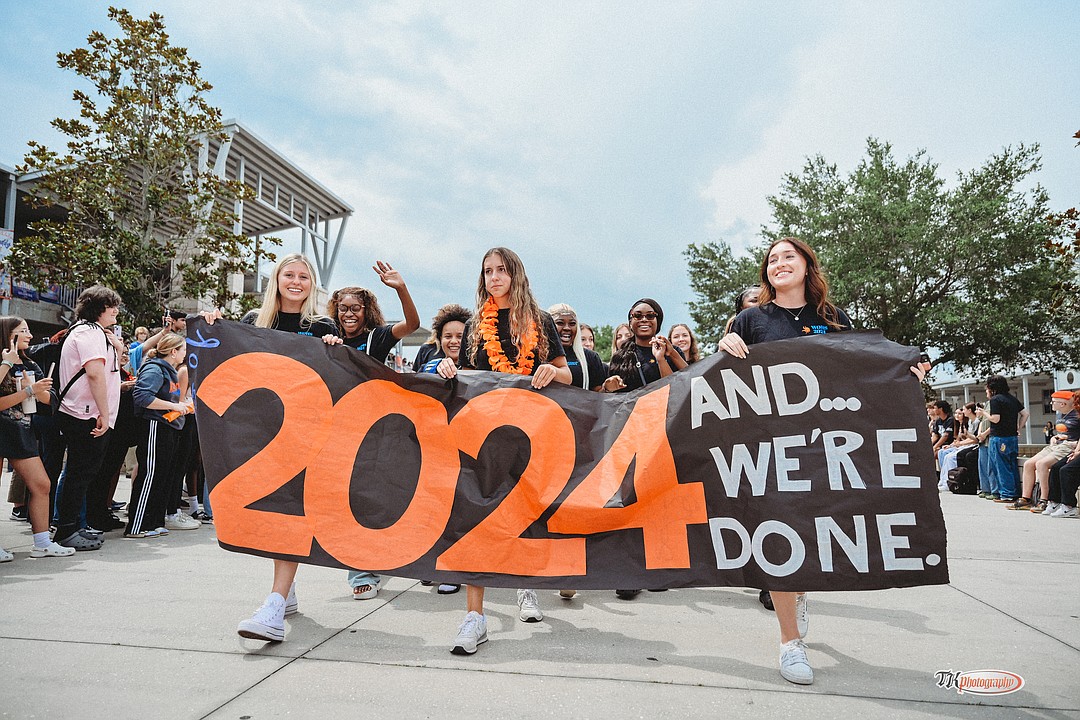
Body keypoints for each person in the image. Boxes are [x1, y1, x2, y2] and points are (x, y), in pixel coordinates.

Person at [717, 237, 927, 686]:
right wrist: (725, 343)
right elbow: (726, 381)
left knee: (813, 530)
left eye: (788, 256)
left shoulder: (833, 318)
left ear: (807, 265)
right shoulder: (751, 319)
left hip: (824, 445)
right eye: (772, 259)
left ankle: (799, 591)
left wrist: (904, 369)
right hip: (772, 446)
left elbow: (862, 366)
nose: (779, 263)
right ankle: (790, 642)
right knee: (780, 535)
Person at [436, 247, 571, 655]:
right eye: (487, 271)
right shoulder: (476, 324)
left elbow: (567, 374)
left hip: (532, 433)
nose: (493, 277)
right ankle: (474, 617)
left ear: (515, 274)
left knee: (529, 512)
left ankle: (526, 587)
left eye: (501, 270)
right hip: (487, 433)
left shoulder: (540, 320)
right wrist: (447, 368)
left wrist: (551, 370)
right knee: (478, 515)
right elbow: (468, 377)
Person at [202, 252, 339, 643]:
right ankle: (287, 589)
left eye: (304, 276)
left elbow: (338, 376)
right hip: (262, 435)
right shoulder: (252, 322)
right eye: (289, 274)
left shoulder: (322, 325)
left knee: (291, 512)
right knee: (275, 514)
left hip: (306, 434)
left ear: (312, 284)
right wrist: (214, 327)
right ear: (276, 280)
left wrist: (335, 347)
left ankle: (275, 605)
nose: (296, 282)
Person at [324, 261, 421, 601]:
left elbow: (413, 325)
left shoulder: (376, 338)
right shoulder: (327, 339)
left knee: (375, 498)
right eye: (343, 308)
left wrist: (401, 288)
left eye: (356, 308)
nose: (349, 314)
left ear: (367, 311)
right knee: (349, 500)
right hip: (337, 431)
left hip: (374, 432)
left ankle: (372, 563)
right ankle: (362, 567)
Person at [53, 285, 124, 551]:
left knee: (81, 473)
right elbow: (94, 373)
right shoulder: (90, 333)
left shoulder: (91, 332)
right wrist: (104, 414)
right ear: (98, 308)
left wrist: (117, 348)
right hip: (86, 414)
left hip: (88, 412)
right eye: (111, 306)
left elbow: (109, 372)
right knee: (79, 474)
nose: (115, 311)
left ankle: (73, 526)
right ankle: (67, 530)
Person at [0, 317, 74, 562]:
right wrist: (24, 386)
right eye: (23, 331)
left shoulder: (30, 362)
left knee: (41, 484)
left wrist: (39, 391)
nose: (29, 335)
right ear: (8, 334)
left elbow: (49, 400)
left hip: (21, 430)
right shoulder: (5, 361)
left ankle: (42, 543)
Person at [416, 303, 472, 594]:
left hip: (468, 449)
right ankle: (430, 564)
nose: (453, 341)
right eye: (447, 336)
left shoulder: (479, 362)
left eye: (460, 336)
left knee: (459, 508)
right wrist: (436, 370)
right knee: (432, 508)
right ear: (439, 338)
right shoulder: (429, 360)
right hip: (433, 447)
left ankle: (453, 569)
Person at [123, 333, 192, 538]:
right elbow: (142, 396)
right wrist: (174, 406)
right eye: (183, 350)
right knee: (150, 475)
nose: (185, 354)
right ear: (173, 351)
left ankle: (153, 522)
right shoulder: (154, 369)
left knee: (162, 476)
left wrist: (182, 407)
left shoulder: (169, 371)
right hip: (155, 425)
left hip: (168, 426)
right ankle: (136, 525)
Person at [1011, 390, 1078, 512]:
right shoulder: (1060, 415)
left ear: (1062, 404)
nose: (1051, 403)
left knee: (1041, 464)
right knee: (1028, 464)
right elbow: (1065, 432)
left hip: (1068, 446)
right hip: (1057, 444)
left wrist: (1072, 442)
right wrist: (1056, 437)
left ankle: (1044, 499)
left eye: (1054, 402)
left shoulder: (1076, 415)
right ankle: (1026, 498)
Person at [982, 375, 1029, 504]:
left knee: (1001, 466)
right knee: (1012, 465)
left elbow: (995, 419)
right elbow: (1025, 414)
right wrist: (1018, 427)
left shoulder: (995, 400)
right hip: (1012, 437)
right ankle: (1015, 492)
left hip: (999, 437)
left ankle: (1007, 494)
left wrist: (984, 413)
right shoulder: (1012, 399)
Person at [548, 304, 608, 391]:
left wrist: (608, 388)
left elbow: (598, 395)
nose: (567, 328)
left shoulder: (590, 357)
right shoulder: (536, 356)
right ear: (548, 325)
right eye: (560, 323)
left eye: (572, 323)